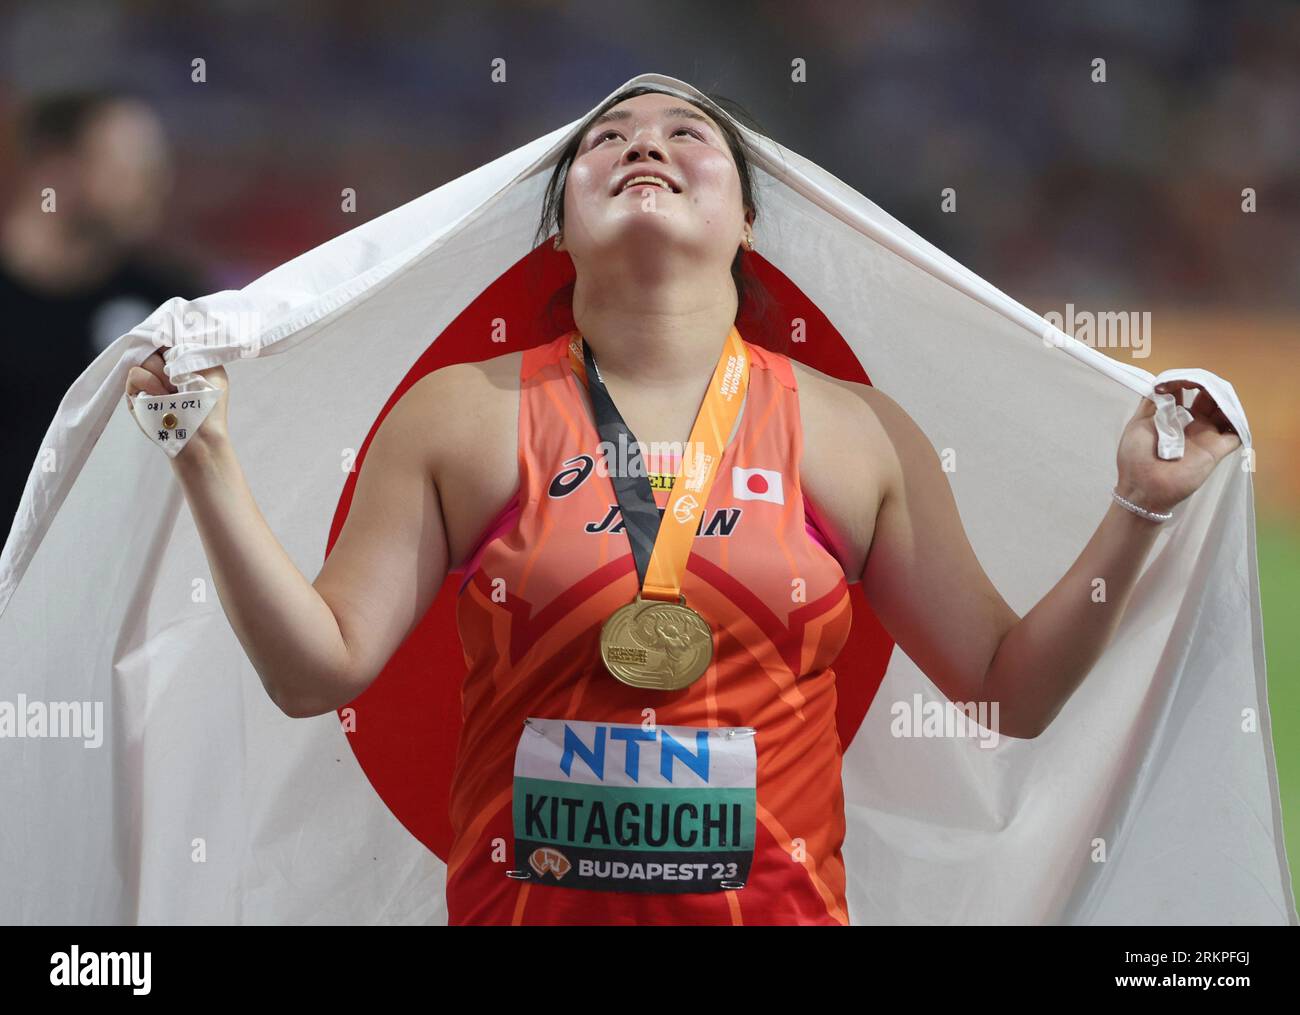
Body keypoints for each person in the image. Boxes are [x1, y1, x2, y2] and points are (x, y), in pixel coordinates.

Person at [123, 85, 1242, 926]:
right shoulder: (459, 415)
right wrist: (203, 457)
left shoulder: (855, 431)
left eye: (685, 135)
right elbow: (312, 670)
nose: (644, 143)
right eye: (605, 140)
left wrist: (1138, 512)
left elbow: (1008, 693)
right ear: (555, 225)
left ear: (751, 221)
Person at [1, 88, 204, 543]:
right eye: (129, 166)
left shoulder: (171, 306)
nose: (154, 184)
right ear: (57, 166)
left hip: (112, 581)